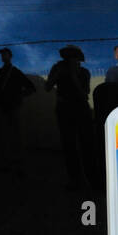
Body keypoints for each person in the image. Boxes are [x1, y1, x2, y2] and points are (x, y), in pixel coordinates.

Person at [45, 46, 97, 189]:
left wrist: (73, 76)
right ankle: (75, 180)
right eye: (68, 57)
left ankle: (92, 178)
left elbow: (85, 93)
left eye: (73, 57)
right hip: (64, 109)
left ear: (78, 59)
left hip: (81, 109)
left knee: (87, 143)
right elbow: (47, 87)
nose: (70, 60)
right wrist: (58, 73)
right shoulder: (58, 68)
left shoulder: (84, 72)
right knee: (69, 145)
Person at [0, 48, 35, 171]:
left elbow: (31, 87)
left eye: (5, 54)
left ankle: (17, 161)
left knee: (15, 134)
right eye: (2, 54)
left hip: (12, 107)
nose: (2, 56)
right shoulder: (1, 71)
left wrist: (19, 97)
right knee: (5, 134)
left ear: (10, 56)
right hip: (3, 107)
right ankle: (8, 161)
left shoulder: (15, 72)